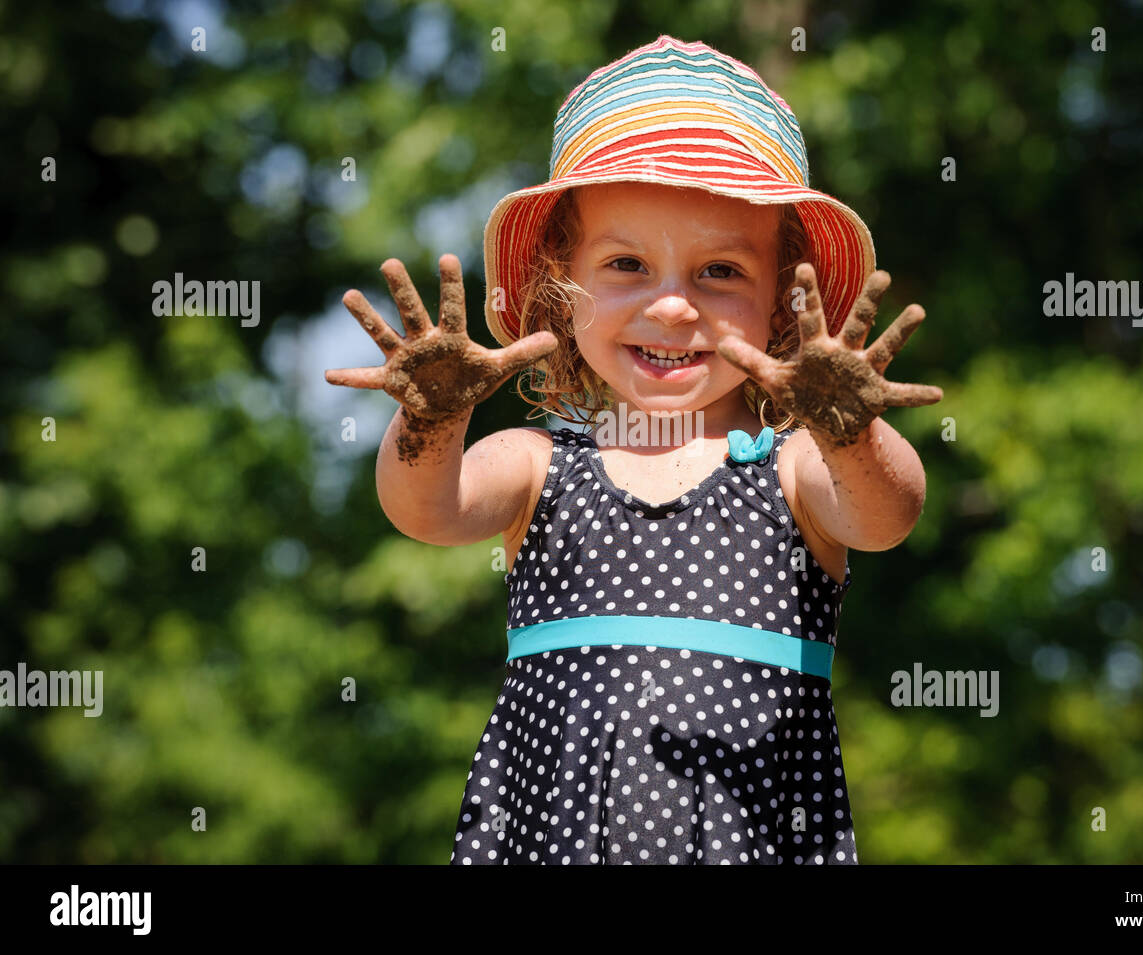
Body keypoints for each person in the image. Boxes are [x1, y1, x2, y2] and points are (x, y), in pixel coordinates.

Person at [325, 35, 943, 864]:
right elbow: (426, 510)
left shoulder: (791, 467)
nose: (673, 307)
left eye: (720, 271)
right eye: (627, 264)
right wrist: (430, 420)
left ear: (783, 305)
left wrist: (848, 430)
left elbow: (885, 515)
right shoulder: (540, 466)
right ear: (560, 285)